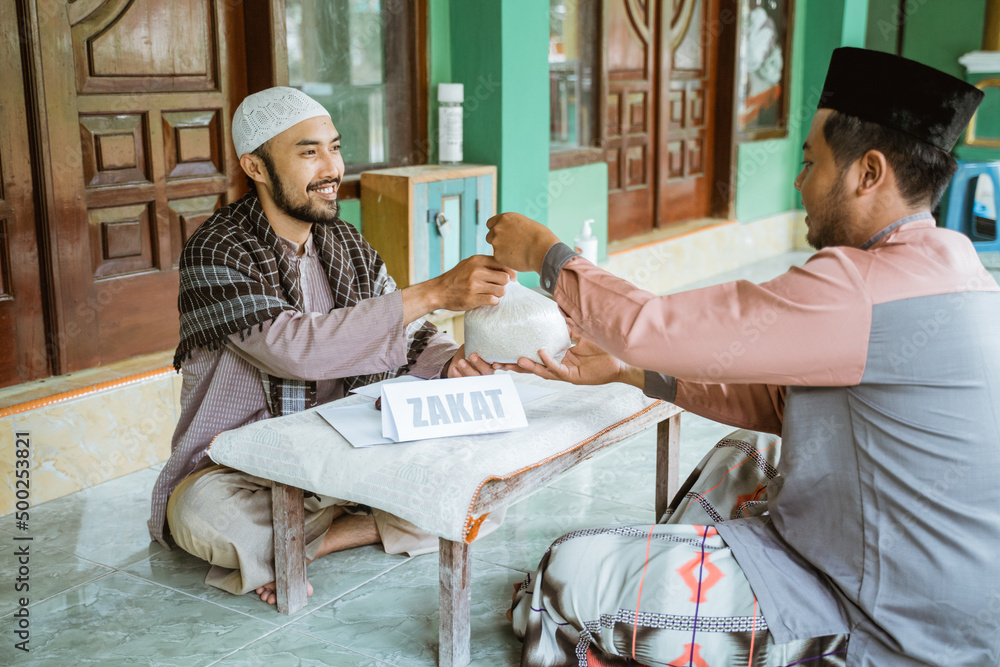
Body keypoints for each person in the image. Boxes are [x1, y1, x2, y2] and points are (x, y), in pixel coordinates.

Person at [487, 48, 999, 665]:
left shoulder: (861, 286)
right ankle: (681, 592)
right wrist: (628, 372)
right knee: (748, 452)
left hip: (880, 619)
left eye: (810, 162)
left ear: (869, 173)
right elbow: (783, 402)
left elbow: (654, 325)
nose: (798, 182)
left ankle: (671, 607)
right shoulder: (952, 264)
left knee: (567, 572)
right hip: (921, 586)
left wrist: (547, 254)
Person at [148, 87, 510, 605]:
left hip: (342, 453)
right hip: (239, 466)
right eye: (308, 151)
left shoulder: (346, 243)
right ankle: (330, 528)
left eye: (335, 148)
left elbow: (411, 335)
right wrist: (435, 292)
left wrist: (454, 362)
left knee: (483, 493)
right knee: (202, 517)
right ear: (255, 166)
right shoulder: (217, 248)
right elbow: (297, 350)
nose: (331, 167)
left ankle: (307, 543)